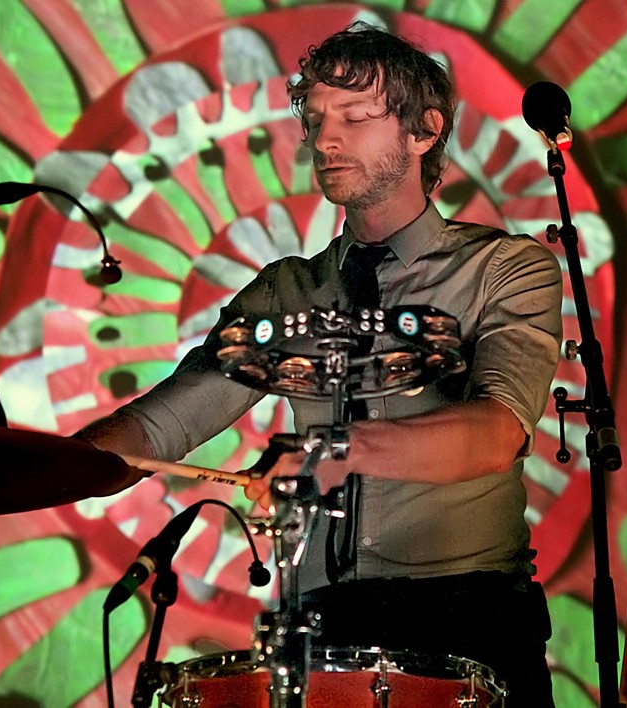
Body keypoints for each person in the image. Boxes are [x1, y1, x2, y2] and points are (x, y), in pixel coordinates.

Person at [78, 23, 562, 706]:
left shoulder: (504, 269)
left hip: (468, 625)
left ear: (424, 130)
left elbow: (494, 435)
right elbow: (159, 428)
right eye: (315, 118)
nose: (323, 139)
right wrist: (53, 465)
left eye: (354, 117)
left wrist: (333, 449)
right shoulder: (286, 291)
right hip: (322, 633)